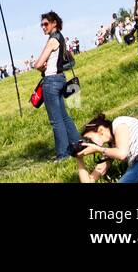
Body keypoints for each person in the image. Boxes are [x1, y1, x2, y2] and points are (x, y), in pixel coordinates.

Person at [31, 11, 79, 163]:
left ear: (54, 23)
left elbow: (37, 64)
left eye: (46, 24)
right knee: (64, 116)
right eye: (42, 25)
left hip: (51, 81)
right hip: (61, 78)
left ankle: (63, 155)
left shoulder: (52, 40)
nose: (43, 27)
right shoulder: (61, 38)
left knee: (56, 121)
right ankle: (77, 145)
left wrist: (40, 67)